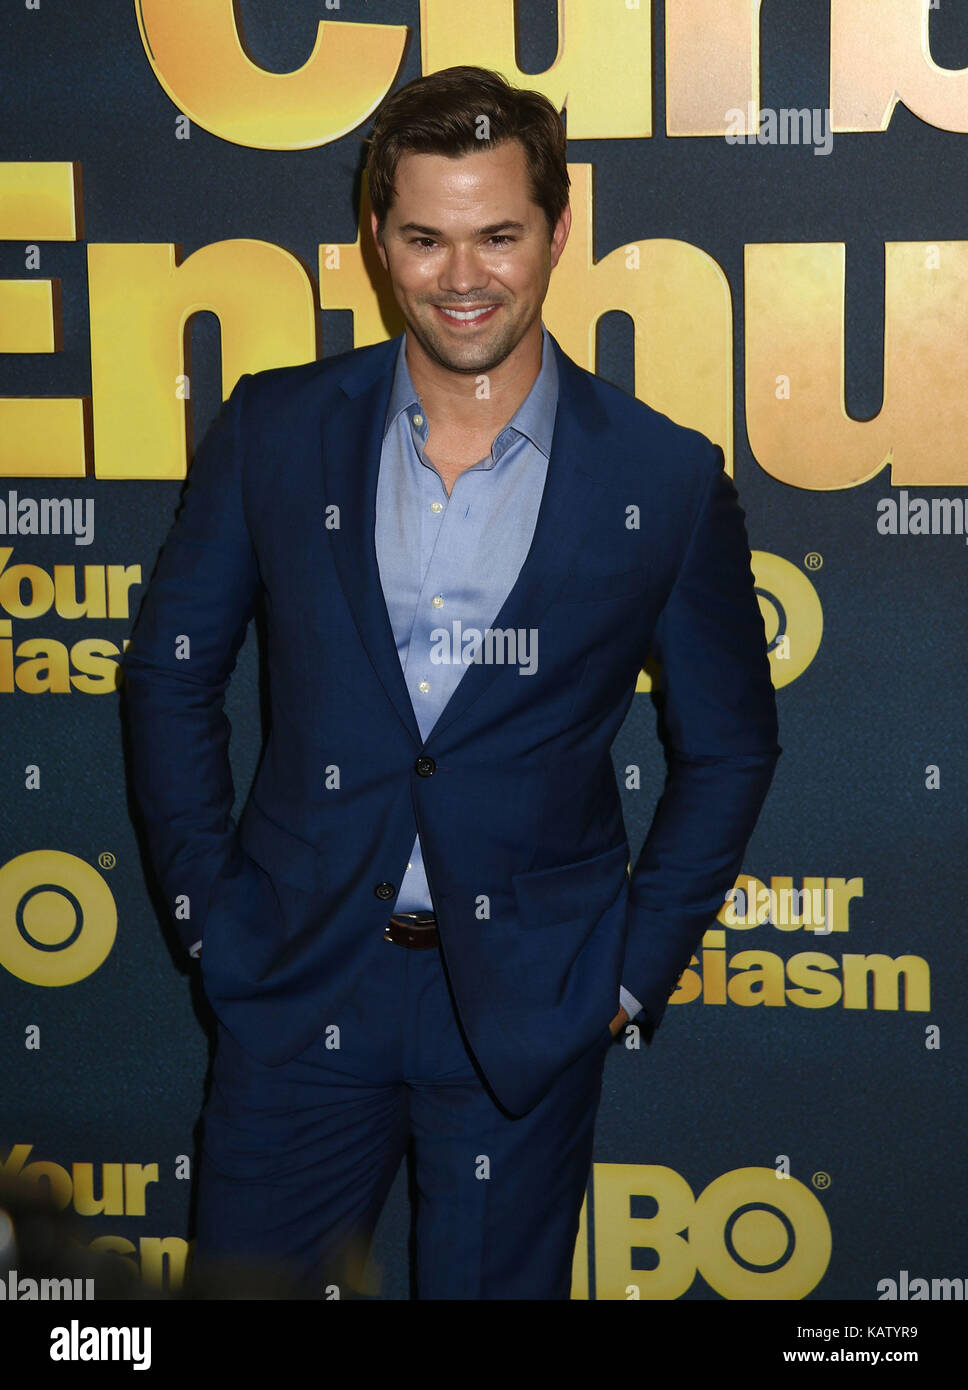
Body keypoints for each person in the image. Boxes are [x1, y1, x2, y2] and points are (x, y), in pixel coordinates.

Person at [121, 65, 781, 1300]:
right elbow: (167, 681)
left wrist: (625, 974)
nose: (462, 277)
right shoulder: (275, 430)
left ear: (557, 230)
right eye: (425, 238)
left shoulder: (662, 476)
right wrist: (211, 918)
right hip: (297, 985)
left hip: (526, 1007)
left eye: (497, 235)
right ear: (376, 239)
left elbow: (731, 746)